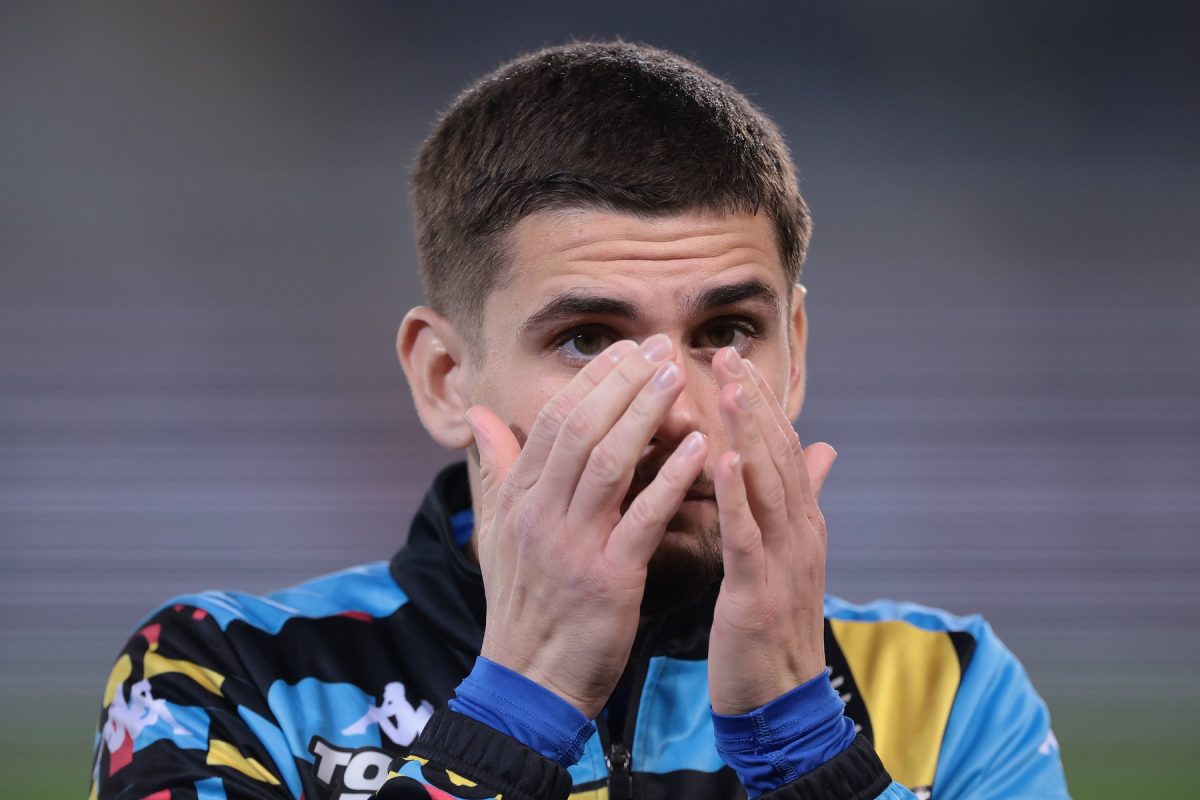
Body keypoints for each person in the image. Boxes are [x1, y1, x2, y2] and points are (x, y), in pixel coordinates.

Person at [89, 42, 1070, 800]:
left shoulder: (950, 688)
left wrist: (802, 746)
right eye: (589, 339)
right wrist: (522, 704)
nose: (675, 408)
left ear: (797, 354)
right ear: (444, 378)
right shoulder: (226, 673)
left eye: (729, 330)